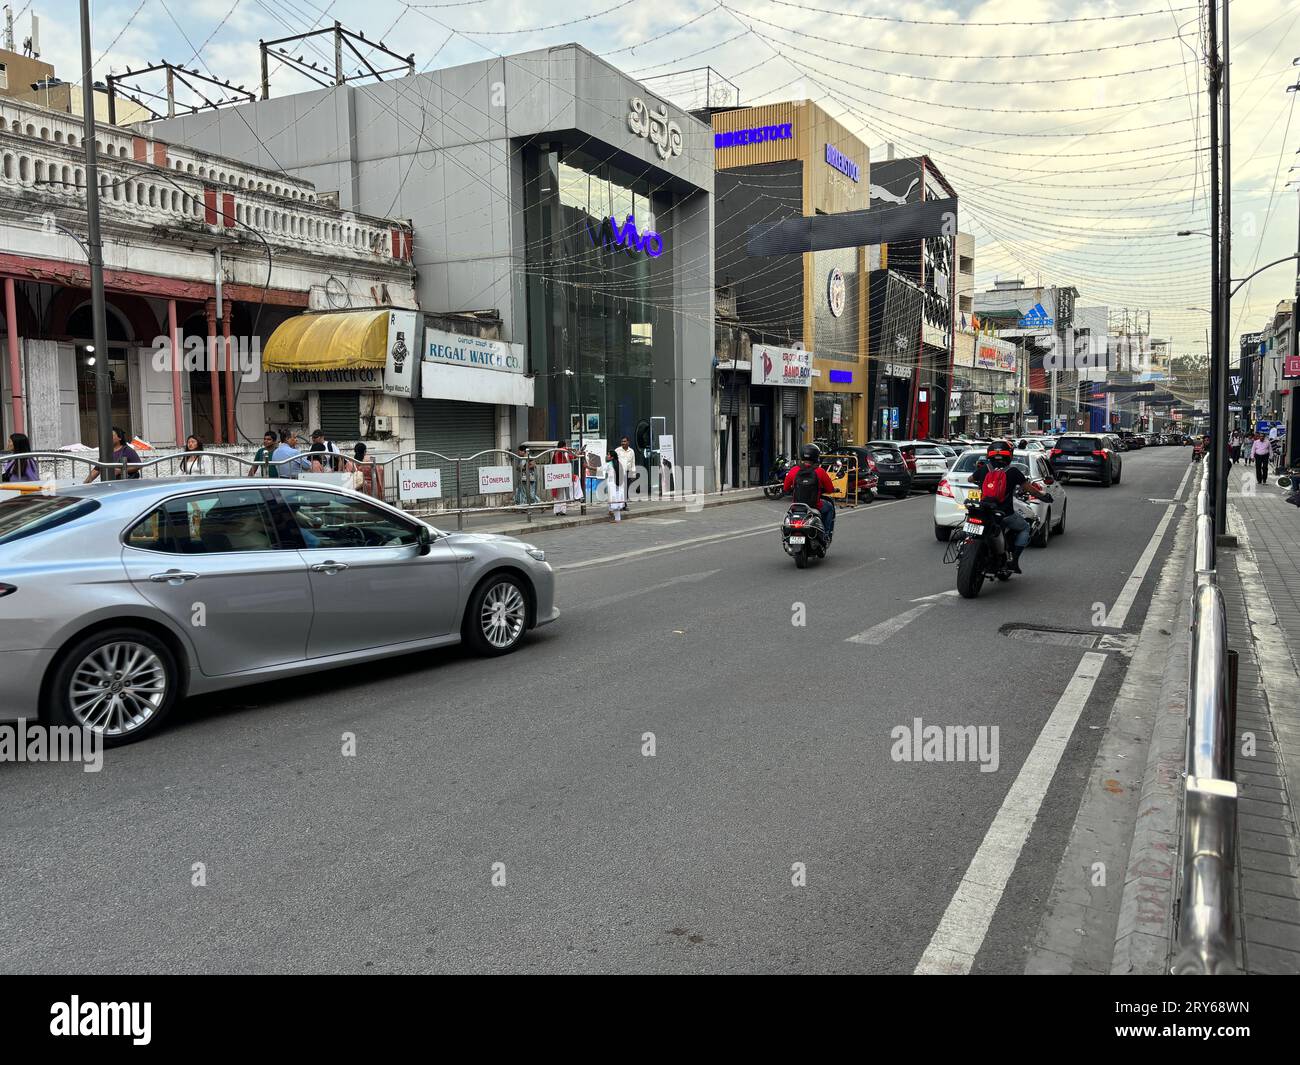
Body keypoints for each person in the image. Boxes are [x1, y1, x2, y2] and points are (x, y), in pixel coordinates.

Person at [970, 440, 1051, 575]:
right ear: (1009, 455)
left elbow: (970, 479)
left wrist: (981, 477)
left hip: (984, 511)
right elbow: (1030, 489)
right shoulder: (1013, 472)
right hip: (1004, 514)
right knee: (1025, 527)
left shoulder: (984, 469)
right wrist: (1043, 496)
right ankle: (1013, 561)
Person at [782, 443, 837, 540]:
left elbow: (786, 488)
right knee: (829, 508)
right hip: (815, 505)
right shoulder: (820, 471)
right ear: (816, 456)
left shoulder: (794, 470)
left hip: (797, 506)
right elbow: (830, 489)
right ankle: (826, 534)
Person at [552, 437, 576, 516]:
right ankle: (559, 509)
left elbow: (572, 457)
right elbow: (568, 454)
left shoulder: (561, 452)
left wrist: (576, 452)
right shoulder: (558, 452)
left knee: (561, 492)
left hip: (560, 473)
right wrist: (568, 448)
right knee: (559, 492)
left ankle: (560, 509)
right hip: (559, 473)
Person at [603, 446, 626, 522]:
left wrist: (588, 467)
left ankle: (617, 519)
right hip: (618, 484)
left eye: (608, 455)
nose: (607, 456)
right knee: (614, 499)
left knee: (614, 500)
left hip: (613, 485)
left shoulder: (609, 464)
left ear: (612, 457)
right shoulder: (618, 463)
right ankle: (610, 511)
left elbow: (599, 469)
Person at [615, 435, 637, 510]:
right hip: (619, 472)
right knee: (619, 489)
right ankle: (619, 504)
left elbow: (633, 463)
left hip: (627, 472)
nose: (623, 443)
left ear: (628, 442)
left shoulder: (631, 451)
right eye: (622, 441)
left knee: (625, 489)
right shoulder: (617, 450)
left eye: (624, 441)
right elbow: (614, 461)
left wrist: (633, 474)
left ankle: (624, 505)